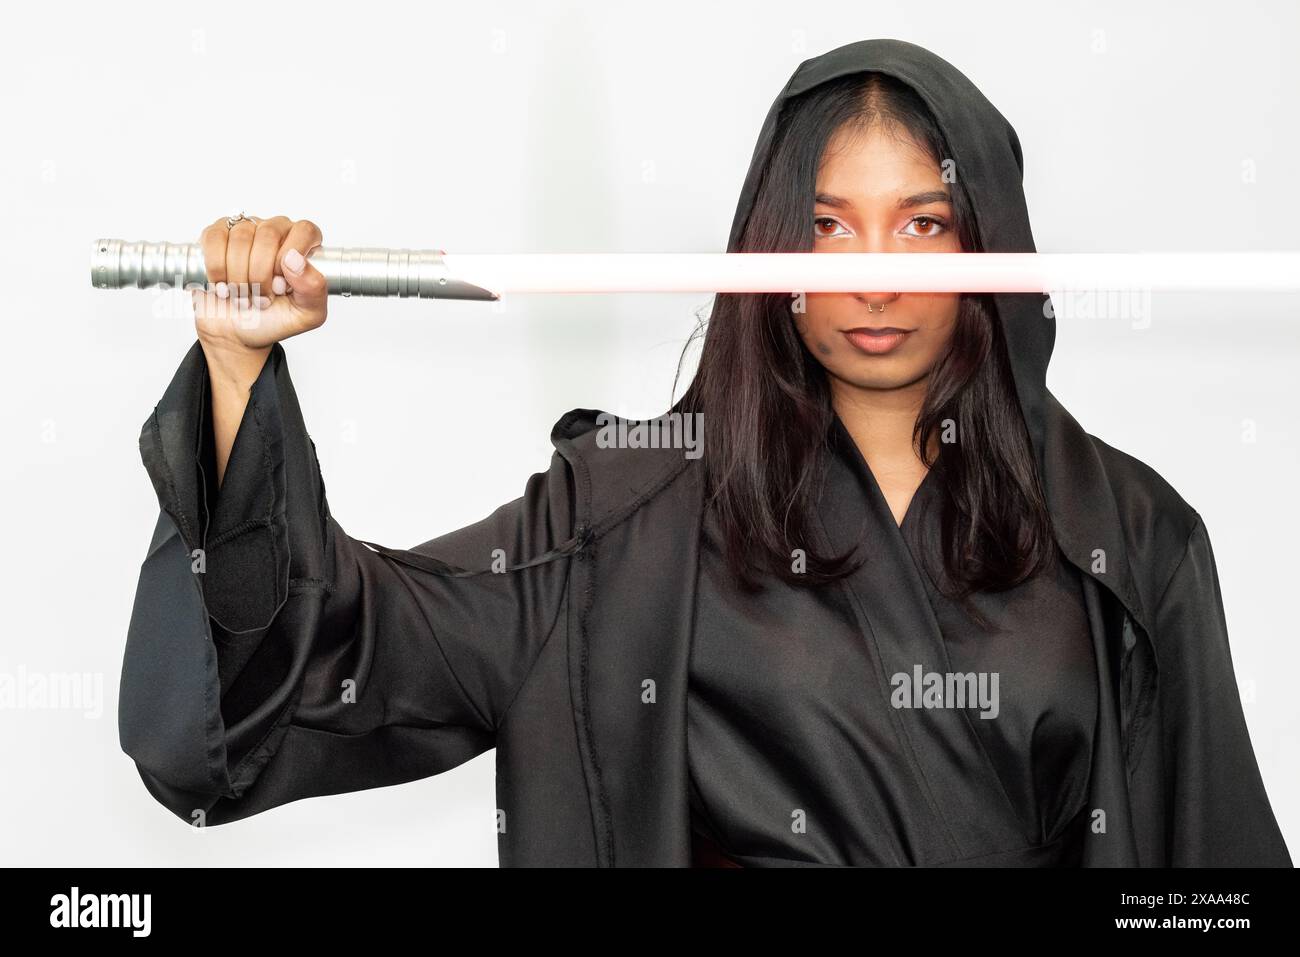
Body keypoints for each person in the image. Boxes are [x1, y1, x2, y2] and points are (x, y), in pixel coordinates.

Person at [119, 38, 1292, 867]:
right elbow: (345, 649)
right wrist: (237, 370)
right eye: (826, 227)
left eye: (921, 225)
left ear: (989, 247)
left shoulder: (1125, 539)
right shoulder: (624, 523)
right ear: (769, 257)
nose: (871, 274)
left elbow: (1208, 863)